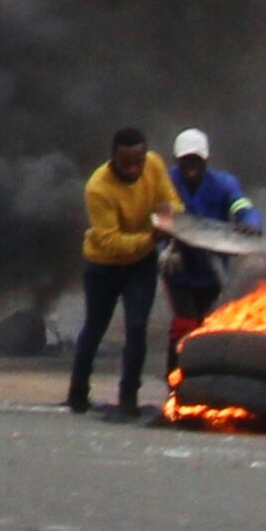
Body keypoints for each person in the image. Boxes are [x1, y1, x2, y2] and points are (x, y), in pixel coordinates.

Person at [67, 127, 182, 421]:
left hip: (140, 264)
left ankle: (128, 397)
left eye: (138, 161)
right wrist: (152, 238)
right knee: (95, 327)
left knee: (136, 327)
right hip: (104, 264)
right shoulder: (98, 188)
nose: (133, 169)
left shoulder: (154, 164)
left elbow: (172, 201)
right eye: (125, 162)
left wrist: (170, 217)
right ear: (112, 159)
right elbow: (110, 241)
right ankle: (77, 394)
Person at [161, 127, 262, 378]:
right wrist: (165, 248)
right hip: (179, 265)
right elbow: (159, 217)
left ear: (205, 160)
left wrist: (251, 223)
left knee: (208, 326)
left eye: (196, 160)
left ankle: (202, 382)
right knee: (184, 324)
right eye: (186, 160)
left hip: (212, 268)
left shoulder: (223, 184)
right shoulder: (166, 182)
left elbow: (242, 205)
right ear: (177, 160)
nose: (190, 166)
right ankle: (176, 384)